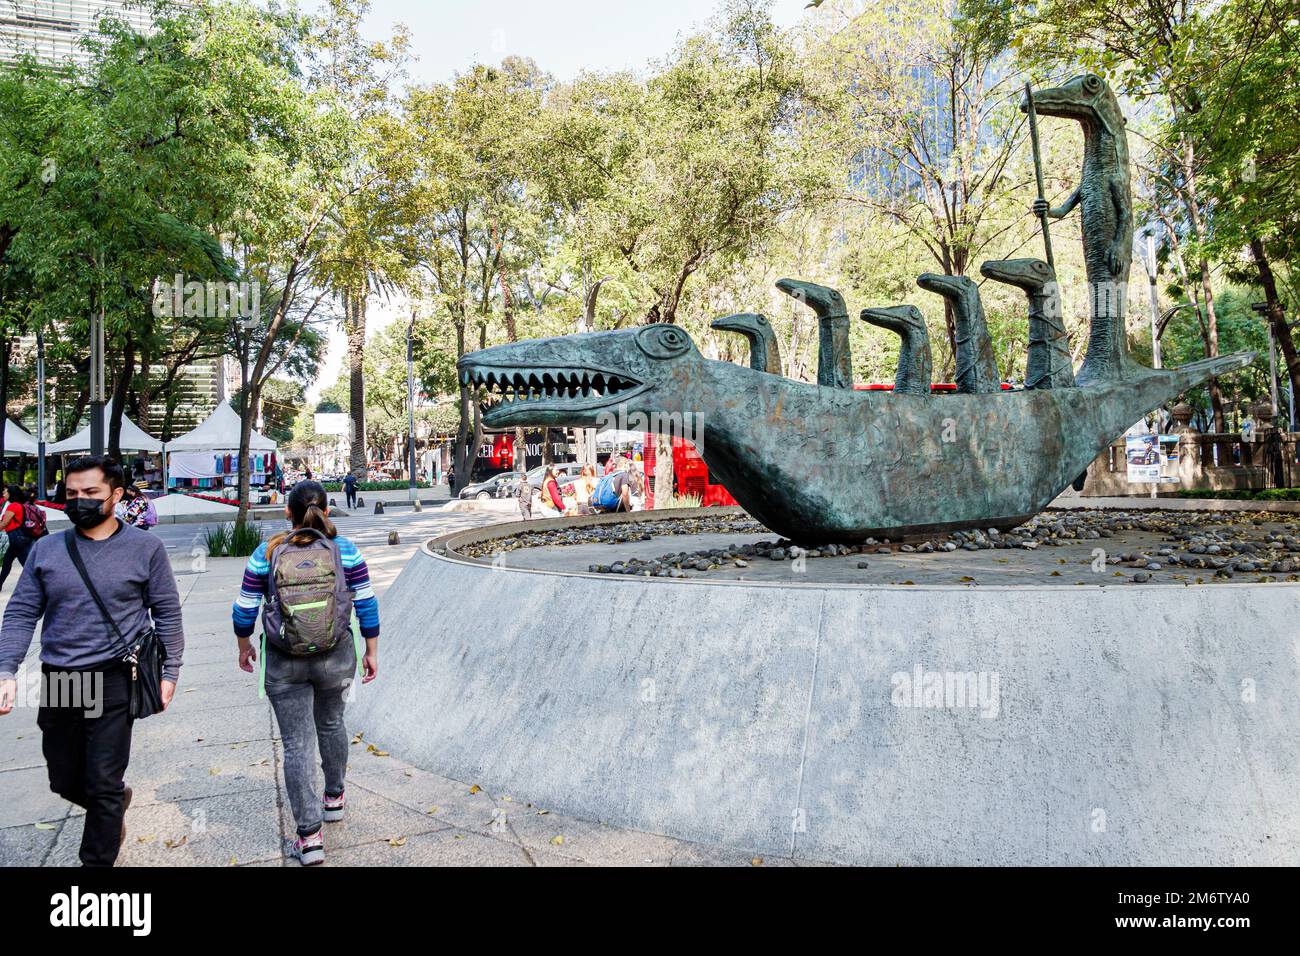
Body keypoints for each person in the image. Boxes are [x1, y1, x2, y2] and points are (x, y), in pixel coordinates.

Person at [0, 455, 185, 866]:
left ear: (116, 495)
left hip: (117, 674)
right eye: (71, 494)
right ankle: (115, 803)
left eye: (90, 493)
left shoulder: (145, 548)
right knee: (64, 777)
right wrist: (5, 668)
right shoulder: (47, 550)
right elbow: (21, 612)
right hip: (64, 678)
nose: (79, 500)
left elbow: (167, 612)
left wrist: (171, 670)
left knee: (101, 780)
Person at [232, 480, 378, 866]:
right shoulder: (345, 549)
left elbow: (244, 607)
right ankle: (334, 798)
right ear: (327, 512)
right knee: (331, 724)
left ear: (288, 512)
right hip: (337, 656)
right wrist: (371, 651)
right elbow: (366, 603)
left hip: (284, 660)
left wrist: (244, 645)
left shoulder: (268, 551)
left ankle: (309, 839)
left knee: (296, 744)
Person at [0, 485, 42, 590]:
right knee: (7, 562)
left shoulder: (13, 506)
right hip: (20, 538)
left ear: (11, 494)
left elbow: (4, 523)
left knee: (26, 565)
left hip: (17, 539)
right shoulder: (20, 504)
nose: (3, 494)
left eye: (5, 492)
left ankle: (43, 586)